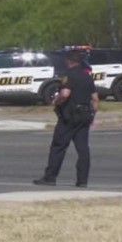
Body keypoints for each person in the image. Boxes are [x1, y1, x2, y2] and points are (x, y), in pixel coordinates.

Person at [34, 49, 99, 188]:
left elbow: (65, 94)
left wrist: (56, 101)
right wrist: (92, 116)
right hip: (84, 115)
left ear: (68, 61)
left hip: (70, 117)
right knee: (83, 149)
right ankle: (82, 180)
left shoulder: (68, 75)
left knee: (58, 146)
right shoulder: (87, 77)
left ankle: (50, 177)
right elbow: (95, 99)